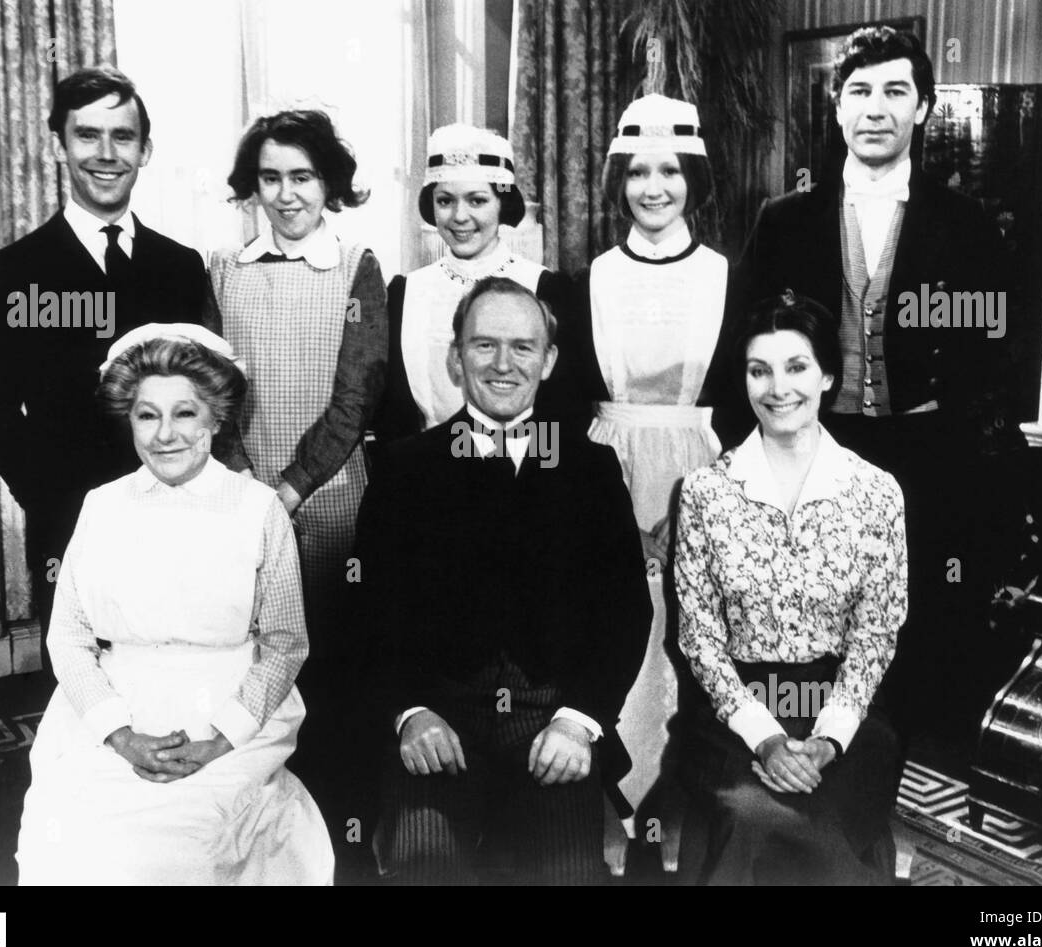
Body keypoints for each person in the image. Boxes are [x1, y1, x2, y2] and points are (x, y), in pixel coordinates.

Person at [721, 26, 1015, 741]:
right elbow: (743, 347)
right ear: (836, 104)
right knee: (812, 609)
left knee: (916, 611)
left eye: (895, 91)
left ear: (922, 108)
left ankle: (895, 759)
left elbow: (995, 346)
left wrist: (958, 429)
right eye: (859, 92)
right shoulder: (785, 220)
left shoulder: (964, 222)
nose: (875, 108)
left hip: (925, 448)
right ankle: (808, 749)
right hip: (816, 444)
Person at [354, 277, 651, 885]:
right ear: (455, 359)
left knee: (565, 876)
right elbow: (369, 610)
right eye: (484, 345)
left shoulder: (590, 467)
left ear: (549, 360)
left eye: (522, 346)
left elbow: (624, 611)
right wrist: (410, 713)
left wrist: (580, 720)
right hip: (440, 720)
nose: (503, 364)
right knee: (422, 870)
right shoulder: (405, 468)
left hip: (550, 721)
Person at [15, 326, 332, 885]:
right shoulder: (102, 506)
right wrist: (120, 735)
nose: (165, 435)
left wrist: (219, 741)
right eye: (146, 415)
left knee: (187, 846)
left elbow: (285, 645)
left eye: (184, 414)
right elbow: (67, 637)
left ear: (215, 419)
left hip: (229, 705)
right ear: (128, 419)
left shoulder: (259, 510)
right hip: (116, 705)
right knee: (75, 838)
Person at [0, 66, 231, 674]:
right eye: (87, 136)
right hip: (70, 524)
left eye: (123, 137)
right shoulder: (12, 273)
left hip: (179, 517)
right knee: (86, 699)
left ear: (145, 150)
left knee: (184, 675)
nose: (106, 155)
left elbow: (206, 394)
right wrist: (51, 495)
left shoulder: (181, 267)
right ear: (60, 145)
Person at [673, 292, 907, 885]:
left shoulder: (877, 493)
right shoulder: (705, 492)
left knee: (826, 815)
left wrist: (828, 739)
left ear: (829, 374)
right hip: (735, 708)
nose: (778, 388)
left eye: (797, 366)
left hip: (843, 705)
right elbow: (698, 637)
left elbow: (876, 633)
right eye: (759, 370)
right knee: (754, 813)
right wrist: (766, 737)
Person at [208, 108, 387, 854]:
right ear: (253, 186)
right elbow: (211, 391)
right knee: (257, 671)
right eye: (271, 177)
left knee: (334, 671)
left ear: (330, 184)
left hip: (334, 502)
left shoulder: (357, 267)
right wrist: (251, 488)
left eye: (303, 177)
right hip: (241, 501)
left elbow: (358, 395)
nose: (286, 194)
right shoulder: (223, 268)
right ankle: (268, 839)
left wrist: (290, 489)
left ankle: (341, 833)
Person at [561, 94, 729, 862]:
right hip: (607, 473)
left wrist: (694, 502)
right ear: (617, 180)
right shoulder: (585, 277)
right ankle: (602, 817)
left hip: (699, 467)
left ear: (693, 177)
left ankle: (676, 821)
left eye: (669, 170)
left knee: (687, 641)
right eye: (637, 171)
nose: (653, 187)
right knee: (607, 623)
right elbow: (565, 404)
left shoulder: (730, 275)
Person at [374, 123, 565, 440]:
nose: (459, 217)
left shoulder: (546, 288)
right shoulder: (403, 293)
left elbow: (561, 412)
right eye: (445, 201)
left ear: (502, 204)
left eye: (477, 201)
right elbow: (393, 413)